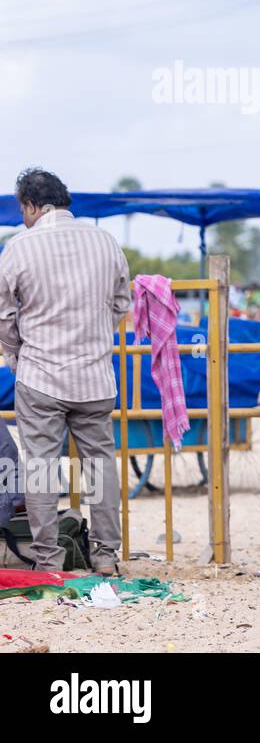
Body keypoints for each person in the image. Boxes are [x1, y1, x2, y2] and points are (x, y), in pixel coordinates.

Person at [0, 168, 129, 573]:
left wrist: (17, 356)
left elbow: (4, 317)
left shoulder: (19, 247)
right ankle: (106, 558)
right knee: (100, 465)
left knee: (40, 468)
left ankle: (49, 562)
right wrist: (93, 337)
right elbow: (121, 305)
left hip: (40, 377)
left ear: (31, 206)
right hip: (94, 377)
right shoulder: (106, 242)